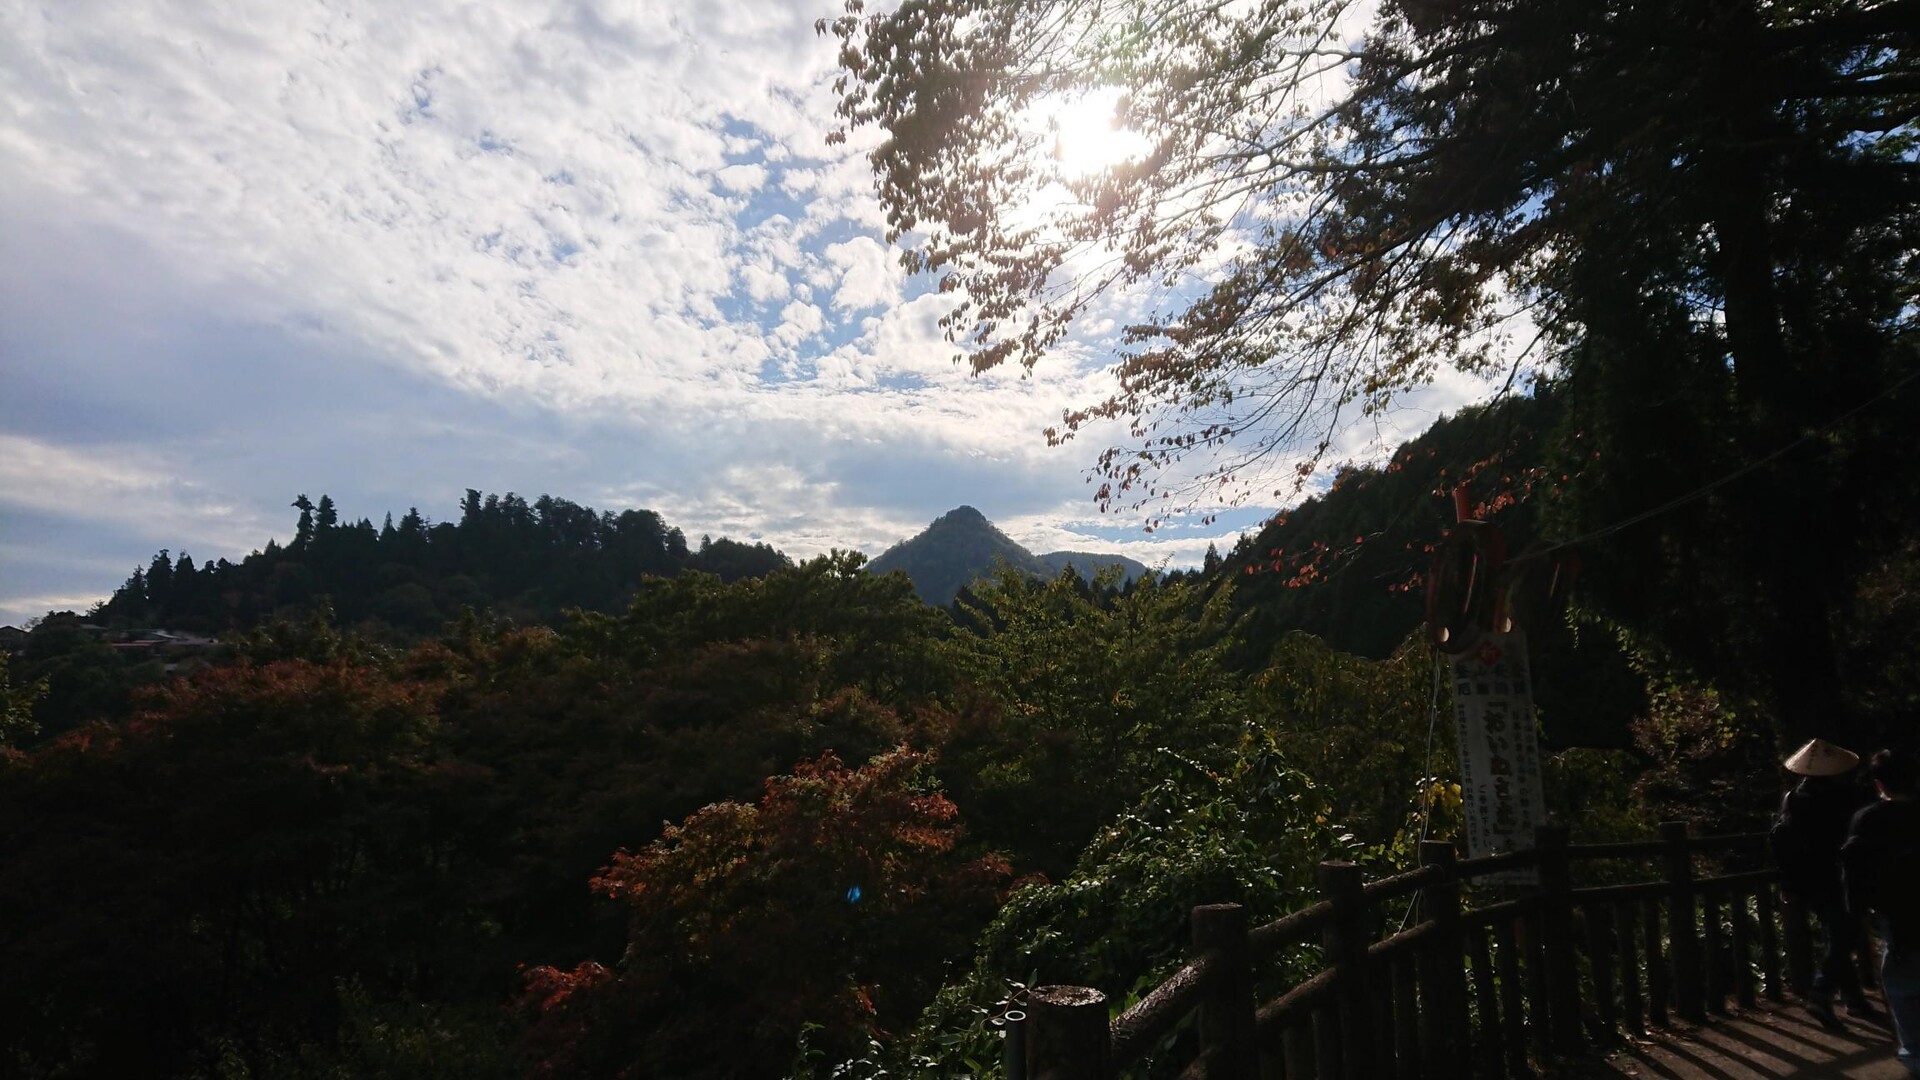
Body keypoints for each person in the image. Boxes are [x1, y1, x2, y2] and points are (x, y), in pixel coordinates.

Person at [1772, 737, 1872, 1029]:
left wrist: (1789, 883)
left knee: (1837, 934)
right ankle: (1821, 991)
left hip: (1809, 878)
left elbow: (1783, 842)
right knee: (1844, 935)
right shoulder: (1841, 797)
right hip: (1839, 876)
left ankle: (1853, 998)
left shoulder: (1792, 798)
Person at [1842, 749, 1920, 1076]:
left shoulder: (1868, 820)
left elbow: (1854, 868)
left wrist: (1856, 911)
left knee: (1904, 991)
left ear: (1879, 784)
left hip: (1898, 919)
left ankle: (1915, 1056)